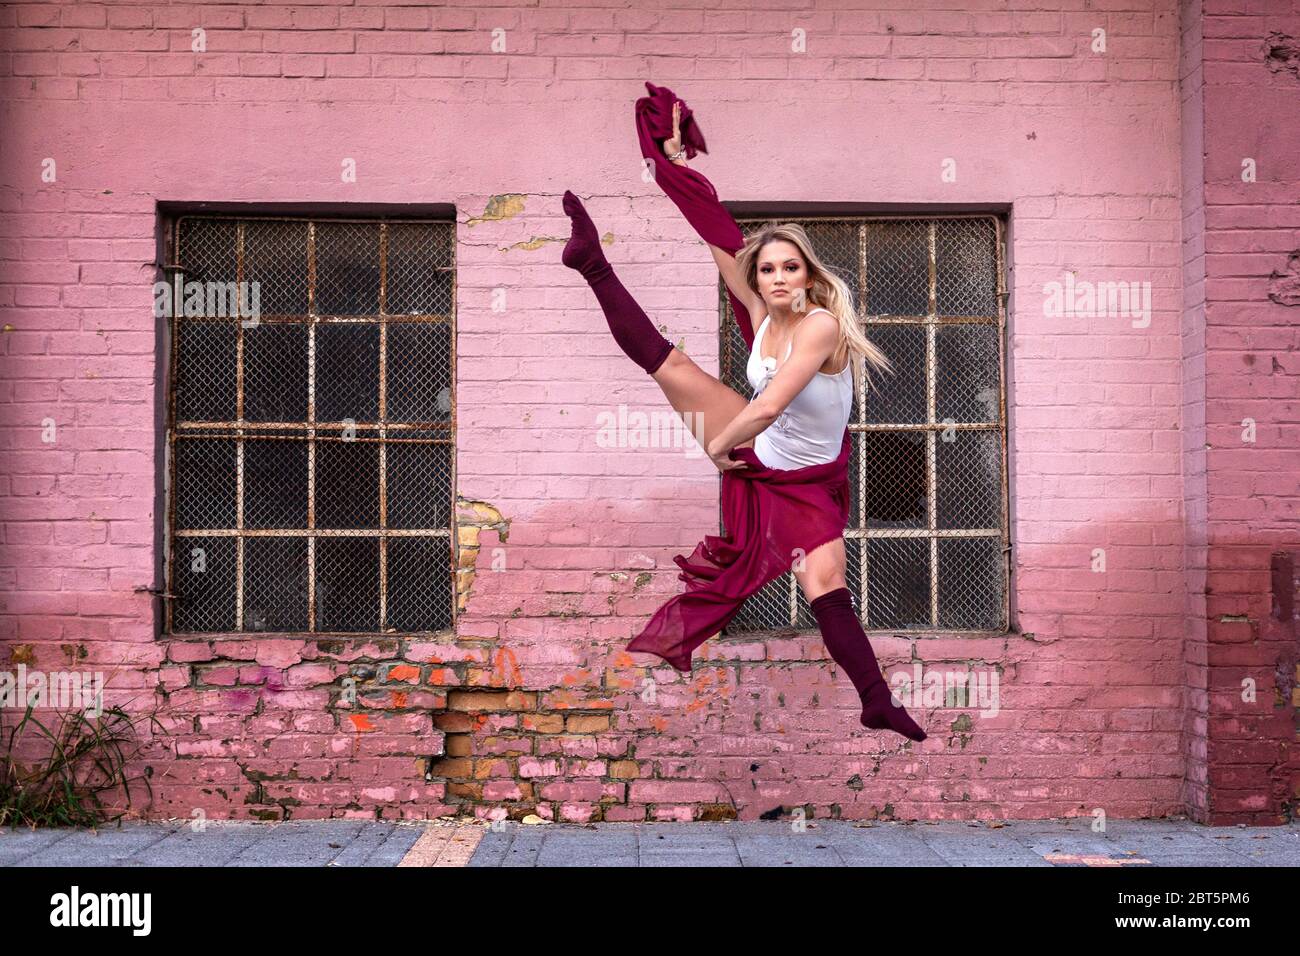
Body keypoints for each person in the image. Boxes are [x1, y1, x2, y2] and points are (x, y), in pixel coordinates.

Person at [559, 83, 926, 742]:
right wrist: (670, 164)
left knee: (825, 583)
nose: (778, 278)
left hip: (804, 476)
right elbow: (714, 230)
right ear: (756, 280)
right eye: (768, 270)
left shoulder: (818, 326)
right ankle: (592, 265)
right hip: (757, 447)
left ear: (808, 276)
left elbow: (775, 401)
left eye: (791, 267)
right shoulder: (759, 312)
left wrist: (719, 443)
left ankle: (876, 699)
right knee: (671, 365)